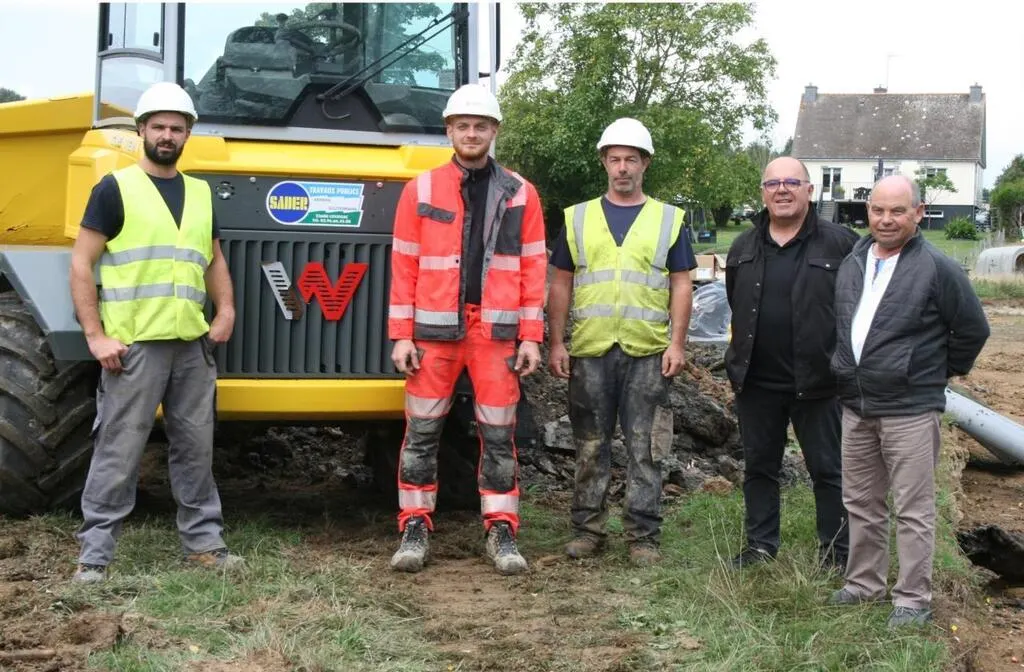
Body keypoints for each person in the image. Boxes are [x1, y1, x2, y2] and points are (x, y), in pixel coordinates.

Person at [68, 82, 241, 583]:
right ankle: (95, 555)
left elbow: (211, 258)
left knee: (196, 446)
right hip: (135, 346)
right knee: (119, 447)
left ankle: (204, 544)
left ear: (188, 133)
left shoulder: (201, 192)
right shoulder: (115, 188)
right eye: (159, 126)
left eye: (177, 128)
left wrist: (225, 309)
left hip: (191, 344)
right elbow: (82, 264)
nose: (168, 135)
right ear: (141, 130)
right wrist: (96, 336)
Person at [387, 84, 546, 575]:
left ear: (494, 132)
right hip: (433, 333)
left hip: (495, 333)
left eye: (481, 126)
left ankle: (502, 530)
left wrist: (530, 336)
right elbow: (404, 264)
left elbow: (533, 266)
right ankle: (414, 526)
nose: (472, 133)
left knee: (499, 434)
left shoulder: (521, 192)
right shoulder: (423, 189)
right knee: (422, 431)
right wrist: (402, 334)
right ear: (449, 131)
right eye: (463, 126)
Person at [828, 175, 989, 628]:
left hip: (910, 410)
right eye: (878, 210)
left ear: (918, 213)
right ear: (868, 213)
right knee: (861, 500)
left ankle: (913, 599)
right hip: (856, 405)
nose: (886, 219)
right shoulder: (855, 259)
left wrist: (933, 372)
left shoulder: (938, 268)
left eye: (897, 211)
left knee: (913, 509)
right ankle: (864, 584)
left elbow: (973, 330)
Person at [547, 118, 696, 567]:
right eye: (615, 159)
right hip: (590, 350)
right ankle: (587, 529)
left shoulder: (668, 219)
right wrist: (557, 342)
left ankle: (642, 535)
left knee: (646, 447)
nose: (622, 168)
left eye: (631, 159)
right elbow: (561, 283)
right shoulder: (577, 218)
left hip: (647, 351)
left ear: (645, 163)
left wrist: (678, 343)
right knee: (590, 444)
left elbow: (682, 283)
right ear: (604, 162)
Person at [725, 157, 860, 571]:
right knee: (759, 468)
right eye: (772, 183)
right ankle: (760, 548)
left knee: (829, 471)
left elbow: (861, 306)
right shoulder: (743, 246)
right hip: (757, 382)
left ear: (809, 190)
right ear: (763, 192)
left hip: (820, 382)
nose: (781, 190)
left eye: (791, 182)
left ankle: (837, 556)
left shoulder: (842, 243)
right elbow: (735, 301)